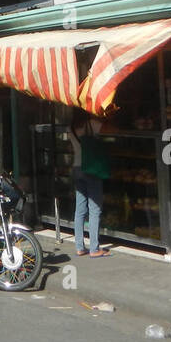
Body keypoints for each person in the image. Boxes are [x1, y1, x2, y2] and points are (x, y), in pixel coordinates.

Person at [67, 109, 109, 257]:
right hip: (91, 168)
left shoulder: (70, 127)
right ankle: (94, 248)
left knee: (80, 210)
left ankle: (79, 246)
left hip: (77, 168)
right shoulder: (92, 124)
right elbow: (110, 129)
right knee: (95, 208)